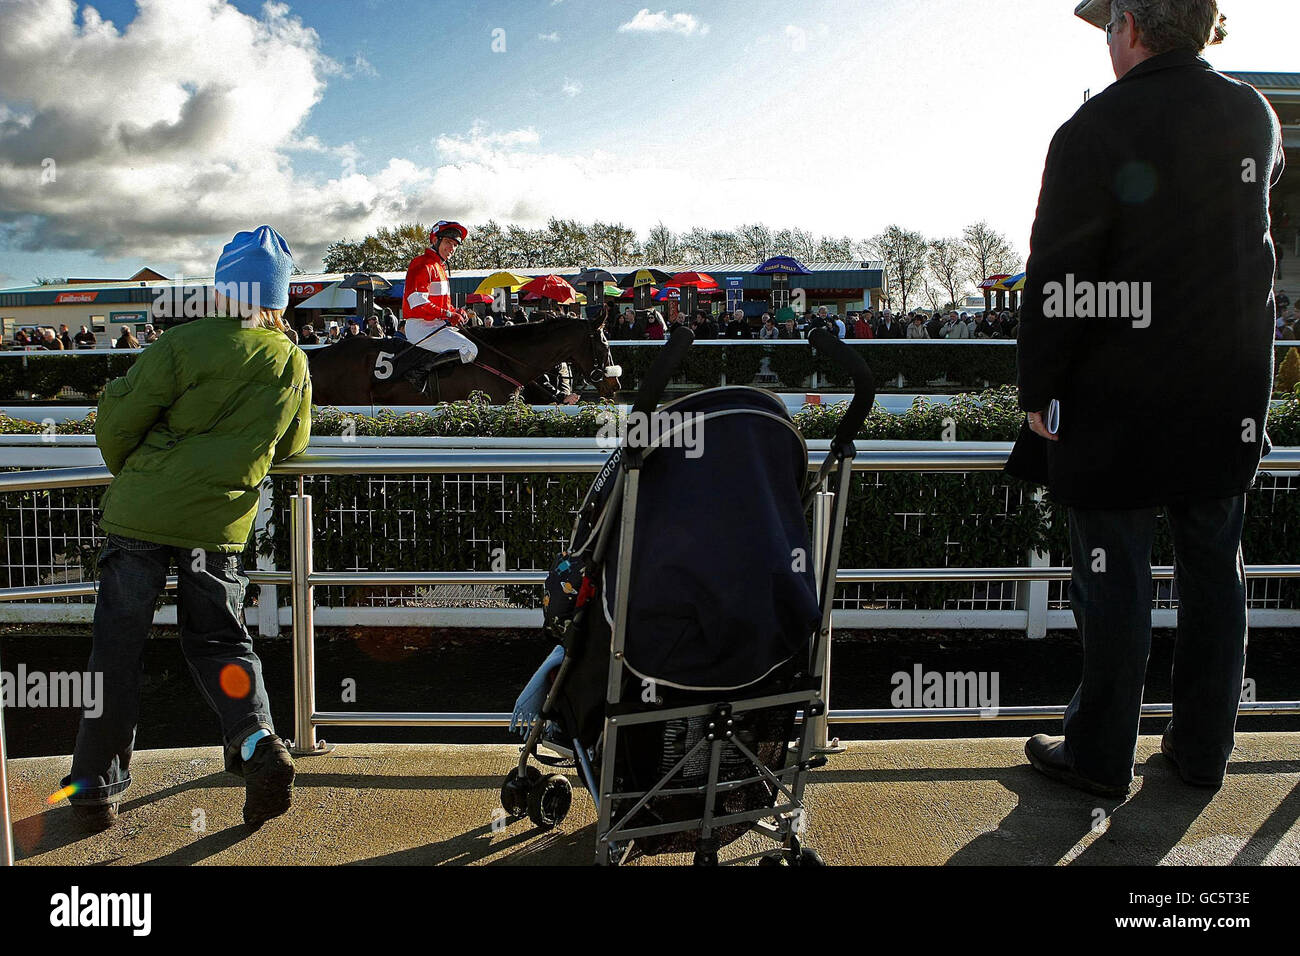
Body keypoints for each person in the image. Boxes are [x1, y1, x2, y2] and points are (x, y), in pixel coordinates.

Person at [1013, 0, 1278, 798]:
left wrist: (1038, 392)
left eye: (1105, 25)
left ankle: (1098, 757)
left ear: (1130, 24)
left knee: (1113, 580)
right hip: (1226, 396)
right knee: (1214, 579)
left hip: (1112, 403)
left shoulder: (1093, 127)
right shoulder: (1253, 114)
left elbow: (1057, 275)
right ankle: (1203, 753)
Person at [63, 225, 311, 833]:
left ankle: (95, 784)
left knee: (116, 651)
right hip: (218, 527)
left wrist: (143, 473)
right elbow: (293, 443)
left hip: (139, 518)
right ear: (277, 298)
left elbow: (118, 422)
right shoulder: (291, 360)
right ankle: (257, 741)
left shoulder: (180, 344)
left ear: (222, 288)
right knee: (224, 644)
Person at [401, 220, 476, 393]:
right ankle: (418, 372)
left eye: (455, 245)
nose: (452, 248)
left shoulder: (439, 267)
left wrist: (455, 312)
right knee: (470, 349)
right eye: (448, 242)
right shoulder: (422, 264)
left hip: (436, 325)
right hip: (421, 327)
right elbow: (417, 302)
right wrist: (448, 314)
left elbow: (442, 305)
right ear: (435, 241)